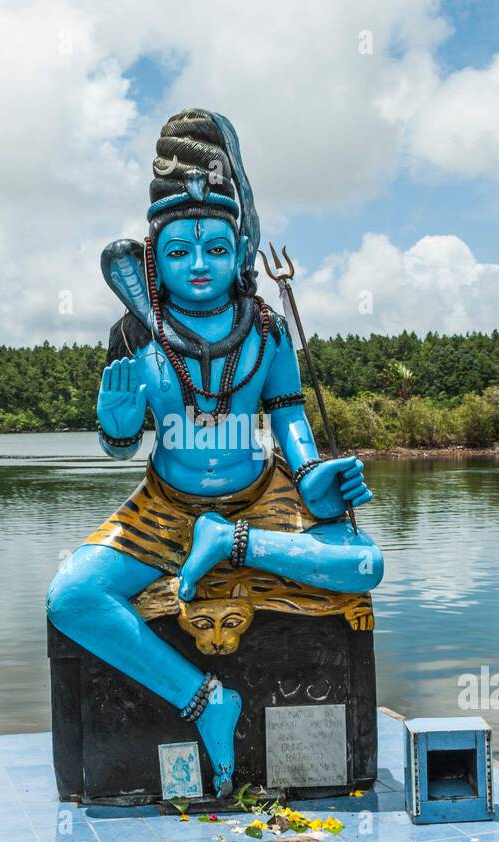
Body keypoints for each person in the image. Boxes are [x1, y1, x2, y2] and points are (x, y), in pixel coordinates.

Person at [46, 109, 383, 796]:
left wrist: (317, 481)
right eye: (178, 252)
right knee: (71, 597)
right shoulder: (137, 335)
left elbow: (292, 429)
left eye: (215, 249)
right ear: (150, 260)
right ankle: (204, 700)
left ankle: (231, 543)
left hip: (260, 498)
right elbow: (121, 444)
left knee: (365, 564)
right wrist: (115, 425)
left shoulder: (265, 330)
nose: (198, 266)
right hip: (165, 508)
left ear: (240, 252)